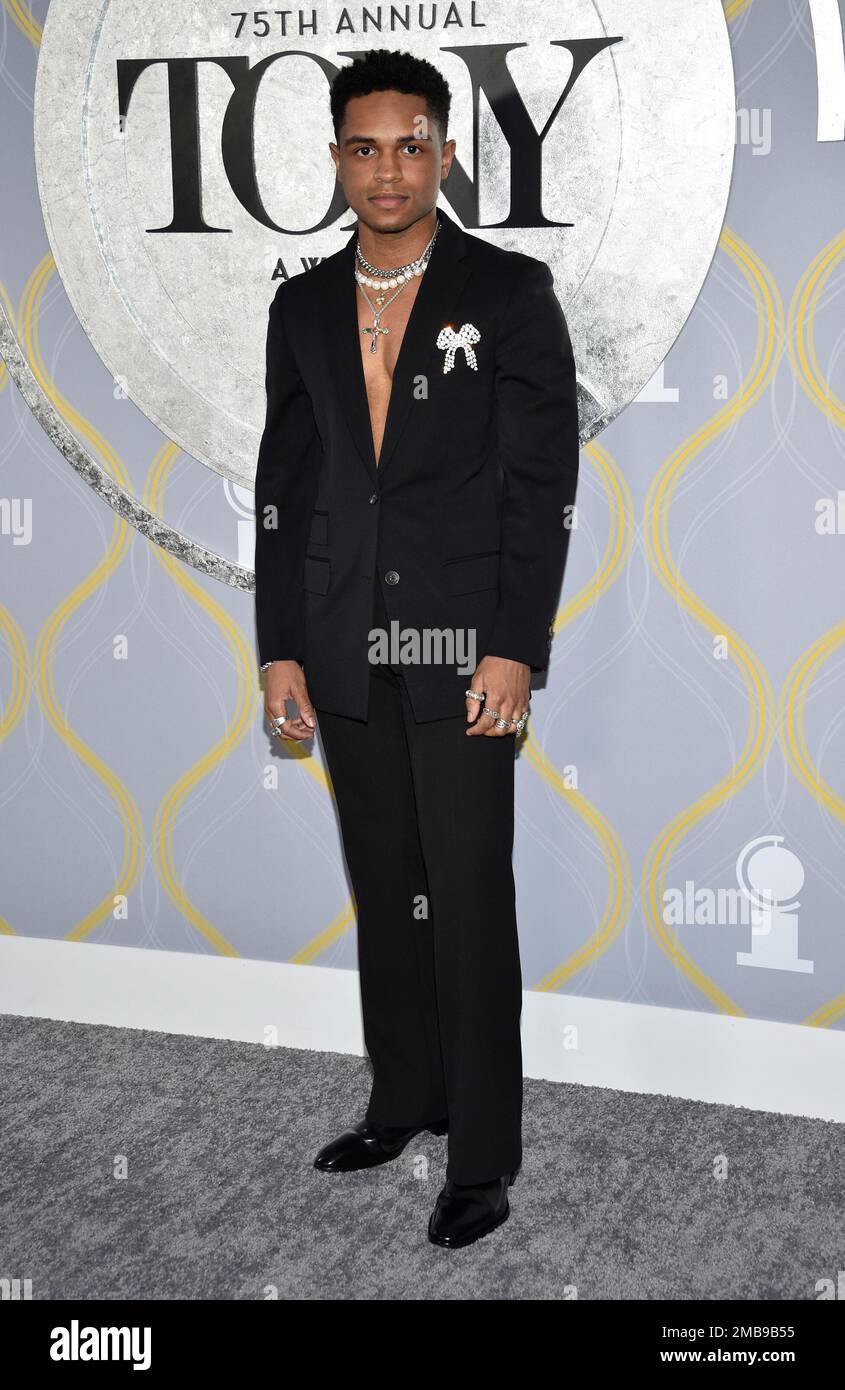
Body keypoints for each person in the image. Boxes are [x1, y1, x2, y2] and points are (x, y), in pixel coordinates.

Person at [254, 48, 580, 1248]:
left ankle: (481, 1154)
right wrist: (279, 647)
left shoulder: (507, 291)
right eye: (361, 146)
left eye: (408, 144)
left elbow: (541, 482)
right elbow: (281, 483)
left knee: (467, 893)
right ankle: (403, 1101)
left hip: (459, 647)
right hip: (341, 641)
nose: (385, 169)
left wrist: (511, 648)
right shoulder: (298, 304)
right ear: (335, 159)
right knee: (386, 887)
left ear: (443, 151)